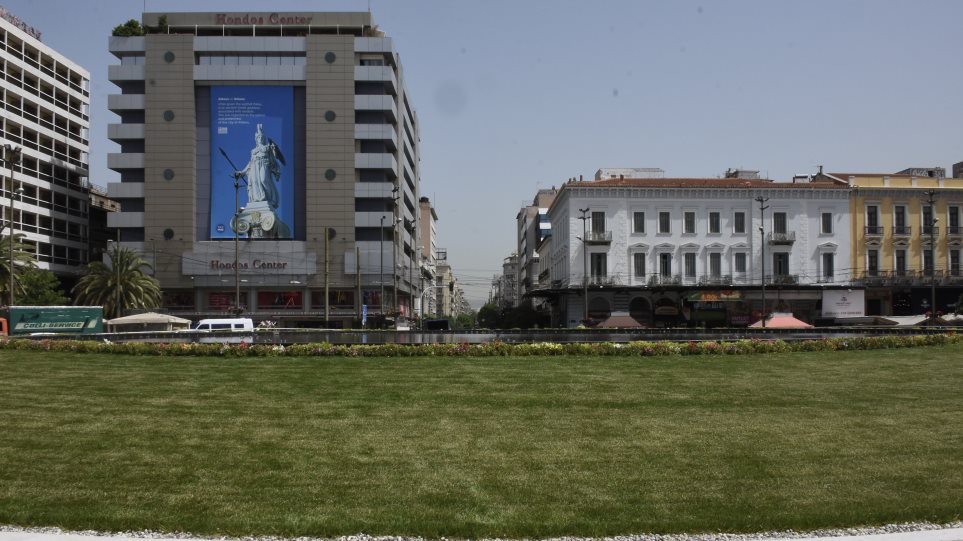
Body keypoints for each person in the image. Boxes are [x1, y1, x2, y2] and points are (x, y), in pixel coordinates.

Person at [234, 124, 283, 209]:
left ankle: (269, 198)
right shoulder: (253, 151)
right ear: (256, 140)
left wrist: (274, 149)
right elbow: (250, 163)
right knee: (255, 181)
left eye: (261, 137)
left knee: (264, 180)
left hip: (264, 165)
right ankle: (259, 199)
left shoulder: (267, 148)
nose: (260, 139)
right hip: (254, 167)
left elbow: (274, 156)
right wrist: (242, 172)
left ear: (263, 139)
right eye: (258, 138)